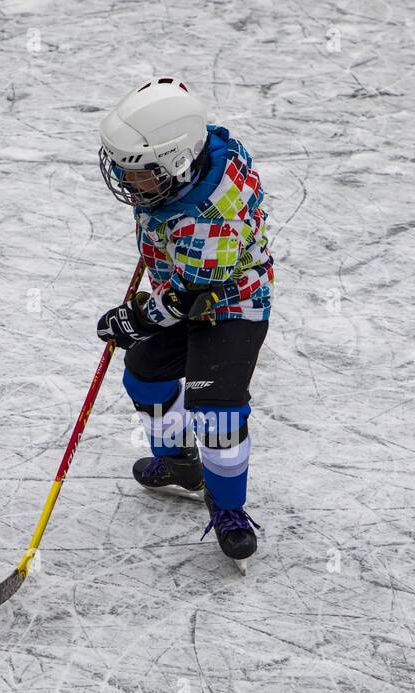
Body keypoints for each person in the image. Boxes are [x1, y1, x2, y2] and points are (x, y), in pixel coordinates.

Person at [95, 78, 274, 562]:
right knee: (145, 375)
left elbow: (185, 299)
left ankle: (228, 508)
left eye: (140, 175)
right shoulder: (199, 154)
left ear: (176, 164)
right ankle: (180, 463)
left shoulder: (207, 222)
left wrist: (132, 321)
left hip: (231, 305)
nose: (129, 184)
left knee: (216, 411)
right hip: (189, 283)